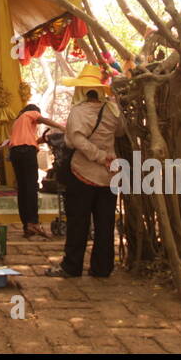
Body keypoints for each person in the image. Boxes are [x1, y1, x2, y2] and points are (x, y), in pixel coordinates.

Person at [49, 87, 122, 278]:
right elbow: (121, 132)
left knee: (78, 222)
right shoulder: (114, 110)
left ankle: (72, 266)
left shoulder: (79, 111)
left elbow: (75, 141)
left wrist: (98, 156)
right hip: (109, 173)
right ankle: (103, 267)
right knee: (105, 223)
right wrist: (106, 155)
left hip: (82, 171)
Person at [7, 103, 65, 239]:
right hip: (27, 152)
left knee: (23, 189)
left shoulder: (18, 122)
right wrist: (62, 127)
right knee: (32, 187)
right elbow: (44, 120)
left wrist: (41, 140)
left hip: (15, 153)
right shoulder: (30, 113)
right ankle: (33, 222)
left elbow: (26, 141)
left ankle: (26, 225)